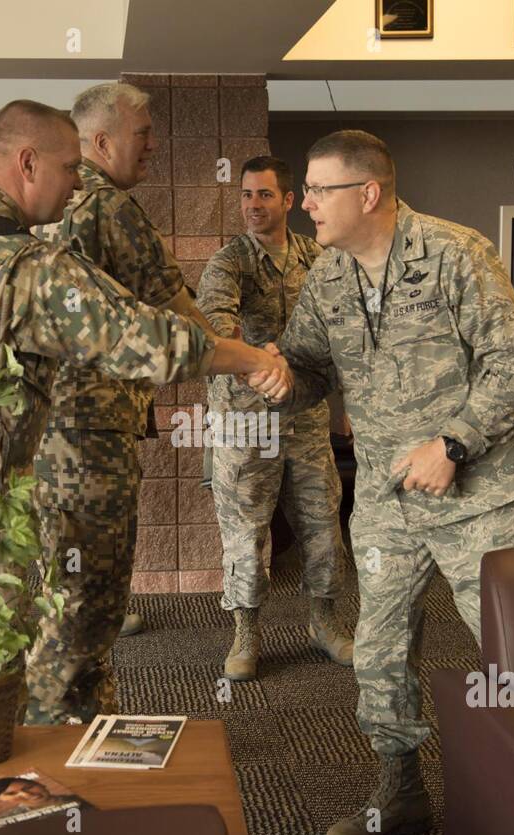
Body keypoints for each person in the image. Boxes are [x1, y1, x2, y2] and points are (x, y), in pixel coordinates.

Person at [0, 99, 284, 834]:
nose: (79, 185)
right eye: (69, 167)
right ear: (26, 162)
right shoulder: (21, 263)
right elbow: (144, 340)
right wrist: (250, 359)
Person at [248, 130, 514, 835]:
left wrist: (452, 445)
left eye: (319, 190)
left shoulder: (456, 253)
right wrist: (274, 377)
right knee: (379, 654)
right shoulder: (326, 276)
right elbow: (312, 370)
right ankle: (401, 790)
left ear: (368, 194)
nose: (307, 203)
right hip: (385, 501)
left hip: (481, 497)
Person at [25, 81, 221, 725]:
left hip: (53, 437)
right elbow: (178, 317)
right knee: (88, 605)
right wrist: (241, 356)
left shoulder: (55, 209)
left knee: (70, 595)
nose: (154, 144)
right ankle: (56, 741)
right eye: (143, 134)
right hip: (92, 442)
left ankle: (80, 729)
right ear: (102, 142)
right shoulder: (109, 208)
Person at [195, 155, 352, 681]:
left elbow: (343, 332)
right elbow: (216, 330)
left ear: (288, 201)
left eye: (264, 195)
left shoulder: (321, 257)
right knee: (245, 532)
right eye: (245, 195)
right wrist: (261, 367)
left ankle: (325, 622)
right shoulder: (228, 261)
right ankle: (245, 632)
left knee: (323, 524)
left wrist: (344, 404)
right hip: (246, 421)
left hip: (306, 417)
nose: (252, 206)